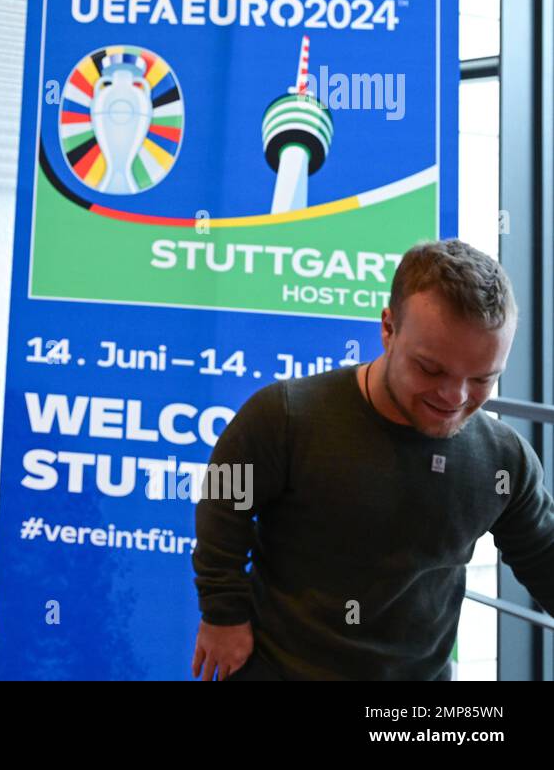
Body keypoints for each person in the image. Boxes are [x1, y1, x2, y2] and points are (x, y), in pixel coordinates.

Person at [191, 238, 554, 680]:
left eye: (482, 378)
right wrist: (222, 613)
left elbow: (543, 556)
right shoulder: (282, 416)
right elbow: (222, 506)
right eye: (431, 369)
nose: (454, 398)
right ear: (388, 328)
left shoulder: (503, 460)